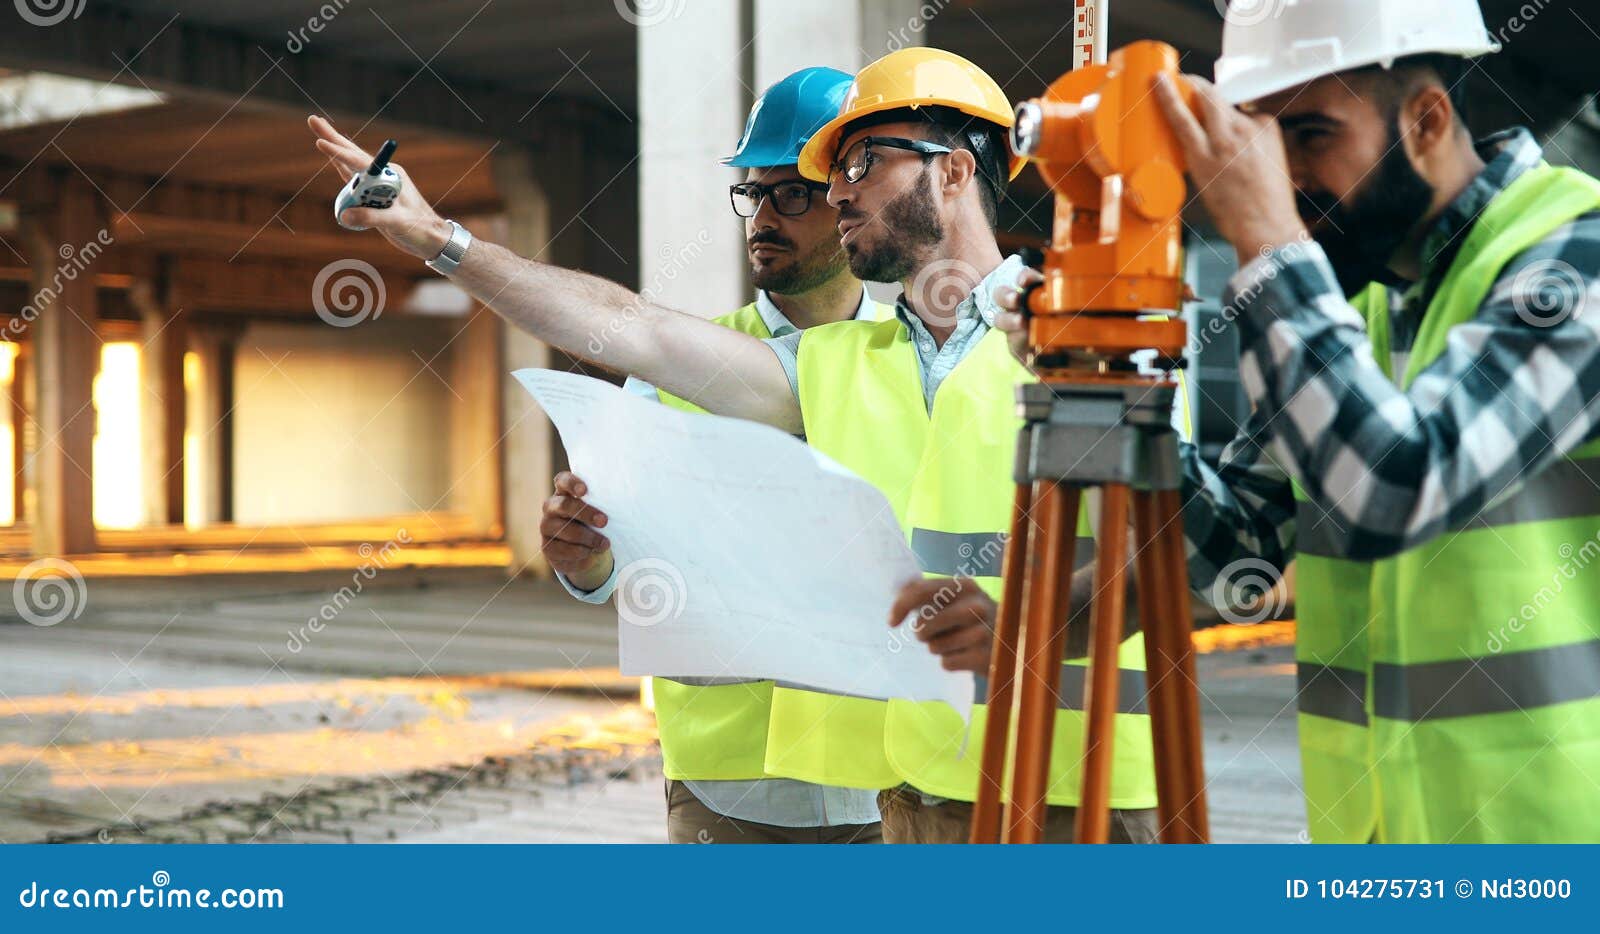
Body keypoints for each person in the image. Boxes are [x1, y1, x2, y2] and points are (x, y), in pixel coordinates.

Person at [306, 46, 1160, 845]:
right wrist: (439, 240)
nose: (839, 195)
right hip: (921, 794)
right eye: (823, 179)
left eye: (860, 166)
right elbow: (628, 327)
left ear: (956, 171)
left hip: (1079, 794)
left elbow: (1190, 540)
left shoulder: (1092, 332)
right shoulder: (838, 366)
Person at [995, 0, 1600, 843]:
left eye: (1311, 136)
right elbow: (1227, 549)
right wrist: (1097, 376)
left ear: (1426, 118)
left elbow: (1394, 487)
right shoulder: (1362, 309)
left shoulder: (1575, 254)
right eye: (1264, 145)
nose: (1283, 180)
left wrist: (1272, 246)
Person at [540, 66, 891, 845]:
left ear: (848, 198)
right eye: (752, 193)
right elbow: (619, 569)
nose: (762, 216)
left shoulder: (913, 364)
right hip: (728, 793)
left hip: (888, 781)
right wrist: (584, 561)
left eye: (790, 193)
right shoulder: (673, 373)